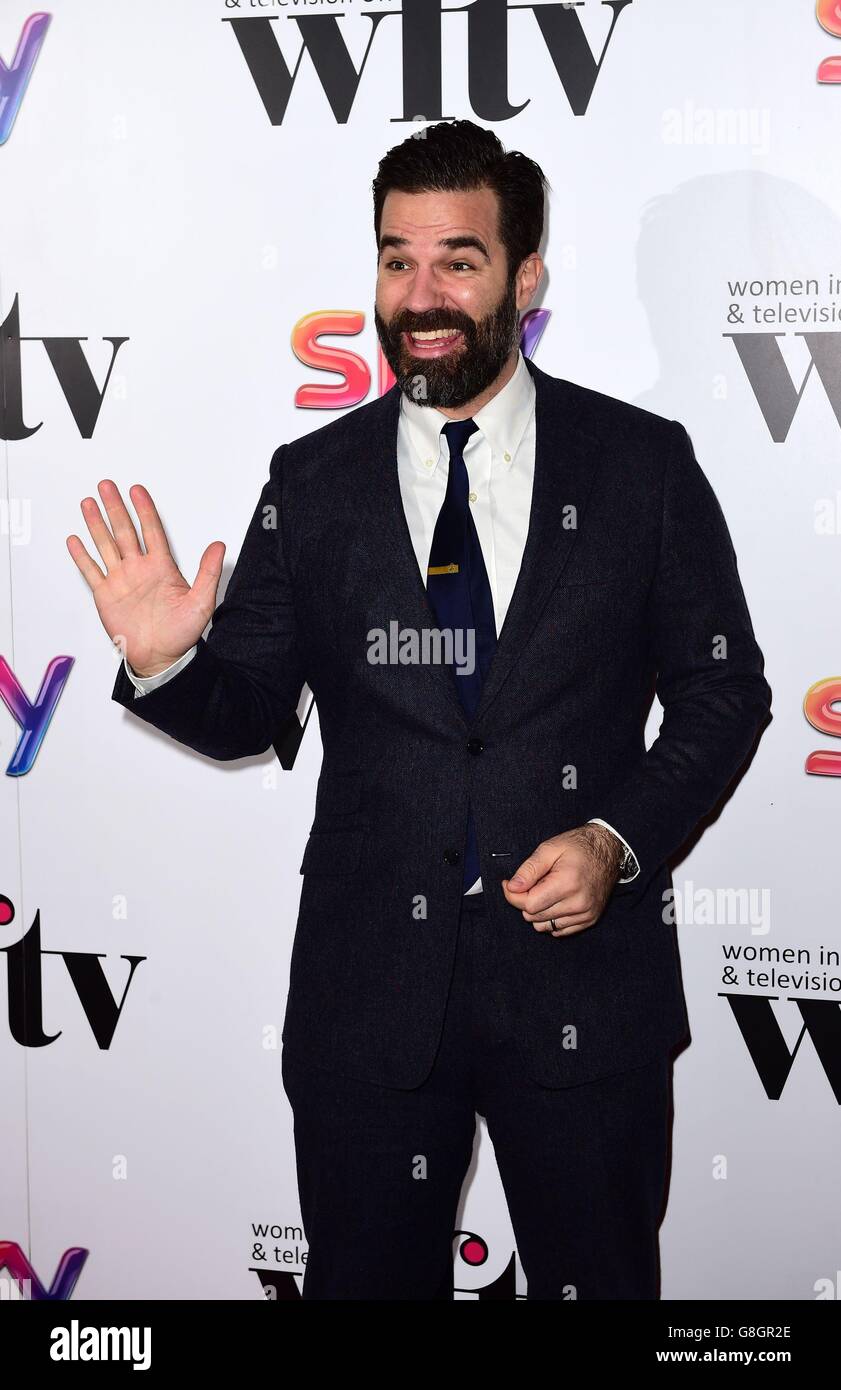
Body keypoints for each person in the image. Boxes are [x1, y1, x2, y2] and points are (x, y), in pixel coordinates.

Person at [67, 119, 772, 1300]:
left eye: (458, 258)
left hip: (583, 998)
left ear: (525, 276)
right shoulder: (314, 479)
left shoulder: (640, 465)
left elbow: (724, 690)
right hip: (366, 1007)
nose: (421, 294)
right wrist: (164, 665)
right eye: (396, 259)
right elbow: (248, 711)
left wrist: (615, 840)